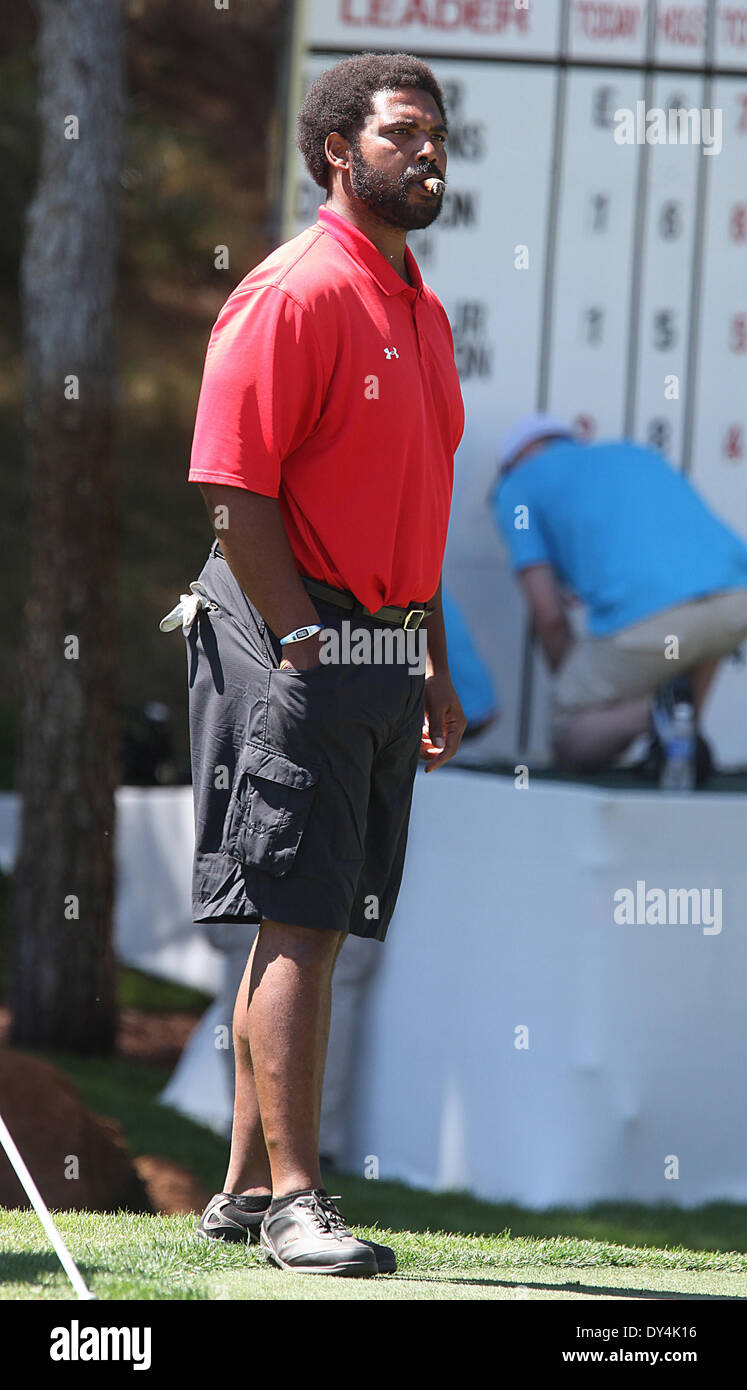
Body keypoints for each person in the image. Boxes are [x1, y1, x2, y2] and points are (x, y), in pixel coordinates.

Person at [175, 52, 466, 1277]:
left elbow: (418, 505)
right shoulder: (291, 291)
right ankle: (299, 1198)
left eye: (439, 134)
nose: (431, 152)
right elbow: (231, 493)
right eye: (404, 133)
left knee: (323, 915)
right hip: (293, 629)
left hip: (382, 642)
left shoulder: (418, 302)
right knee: (298, 915)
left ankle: (244, 1192)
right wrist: (302, 637)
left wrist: (434, 664)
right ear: (340, 151)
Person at [490, 414, 747, 776]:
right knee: (699, 637)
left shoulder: (516, 486)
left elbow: (548, 615)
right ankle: (675, 743)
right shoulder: (634, 453)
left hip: (653, 619)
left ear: (517, 457)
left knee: (568, 732)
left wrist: (585, 696)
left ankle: (659, 716)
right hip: (737, 596)